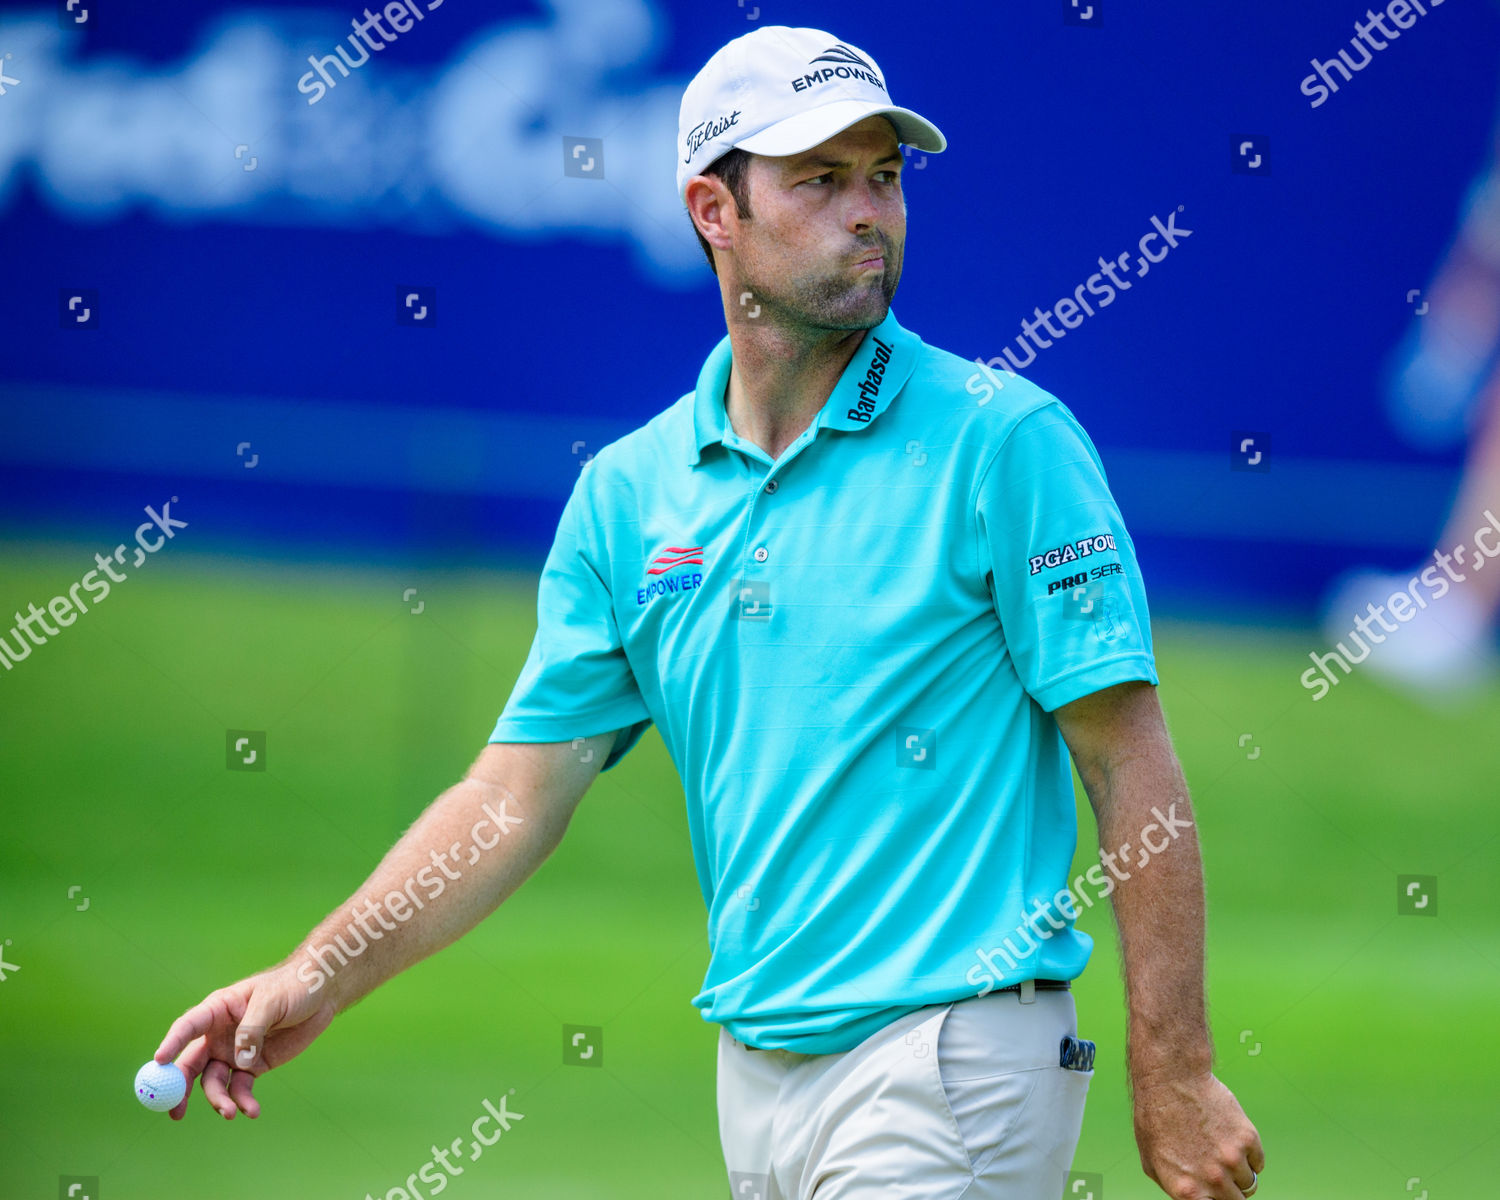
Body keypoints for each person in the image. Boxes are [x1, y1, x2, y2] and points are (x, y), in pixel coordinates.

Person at [154, 25, 1264, 1200]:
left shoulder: (1005, 442)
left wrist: (1176, 1066)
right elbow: (511, 797)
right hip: (754, 1079)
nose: (868, 214)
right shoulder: (630, 495)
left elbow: (1127, 758)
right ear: (712, 211)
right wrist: (315, 973)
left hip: (955, 1058)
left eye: (883, 178)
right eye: (819, 181)